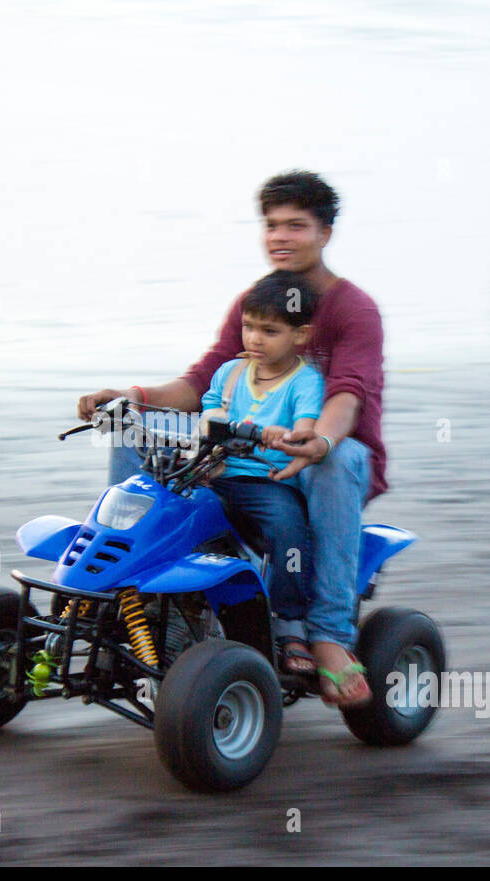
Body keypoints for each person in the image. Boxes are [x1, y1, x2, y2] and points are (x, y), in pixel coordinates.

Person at [77, 170, 384, 707]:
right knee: (134, 427)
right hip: (242, 455)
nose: (280, 237)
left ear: (325, 233)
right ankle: (127, 593)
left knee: (340, 458)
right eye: (271, 225)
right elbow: (202, 382)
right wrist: (130, 396)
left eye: (296, 225)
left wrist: (319, 442)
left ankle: (330, 634)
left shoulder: (352, 309)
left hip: (321, 461)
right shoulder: (257, 301)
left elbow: (348, 394)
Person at [198, 270, 324, 678]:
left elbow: (306, 428)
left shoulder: (305, 381)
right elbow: (211, 405)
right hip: (216, 473)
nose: (254, 339)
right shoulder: (231, 372)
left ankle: (290, 627)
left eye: (269, 331)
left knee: (288, 529)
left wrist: (285, 434)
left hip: (266, 481)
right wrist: (215, 419)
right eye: (249, 327)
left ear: (300, 335)